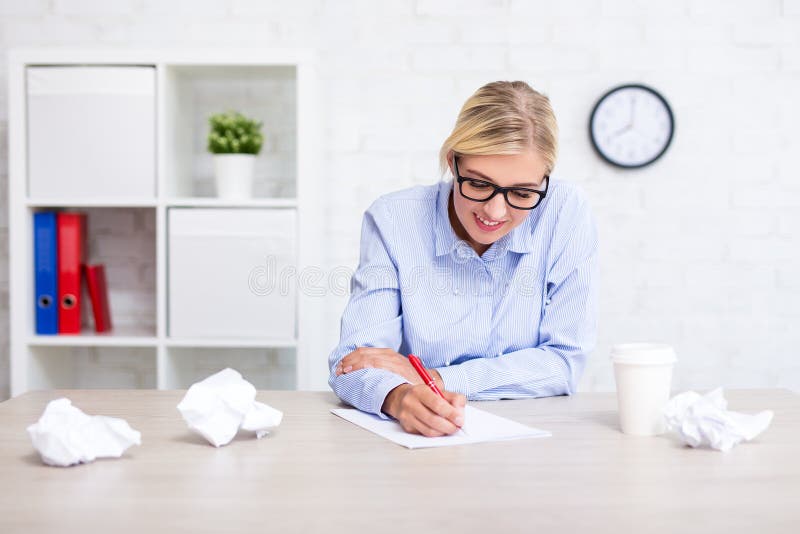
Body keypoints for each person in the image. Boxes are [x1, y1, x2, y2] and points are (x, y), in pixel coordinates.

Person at [328, 80, 598, 437]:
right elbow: (353, 363)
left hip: (530, 438)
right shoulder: (393, 219)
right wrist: (399, 397)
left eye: (522, 192)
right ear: (453, 163)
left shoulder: (564, 211)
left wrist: (435, 378)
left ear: (544, 181)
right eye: (479, 184)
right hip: (421, 442)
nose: (495, 211)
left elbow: (563, 363)